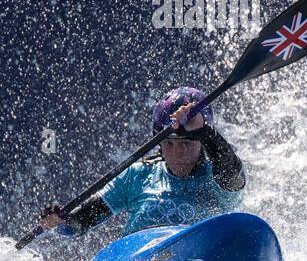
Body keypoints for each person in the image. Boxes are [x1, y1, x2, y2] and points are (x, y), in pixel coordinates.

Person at [38, 86, 246, 239]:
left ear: (203, 143)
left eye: (188, 143)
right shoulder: (138, 175)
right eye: (170, 144)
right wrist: (61, 219)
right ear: (159, 144)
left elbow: (232, 176)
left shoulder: (217, 176)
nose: (178, 154)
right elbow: (76, 225)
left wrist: (204, 131)